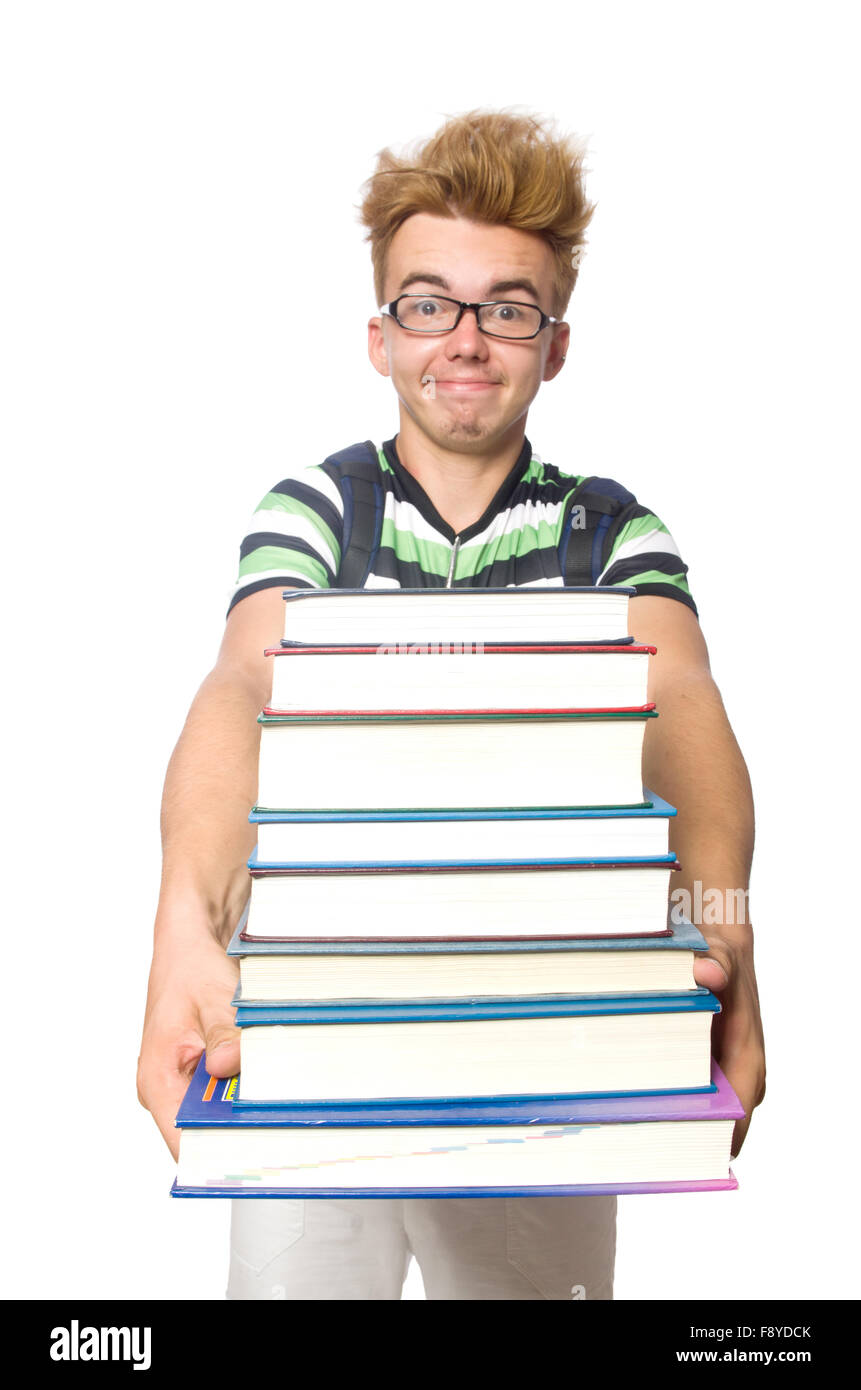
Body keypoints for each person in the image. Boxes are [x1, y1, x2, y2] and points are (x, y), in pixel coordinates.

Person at [137, 109, 765, 1300]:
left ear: (555, 344)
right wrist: (181, 912)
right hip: (313, 1045)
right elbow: (242, 684)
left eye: (507, 308)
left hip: (549, 1056)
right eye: (429, 304)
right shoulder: (316, 510)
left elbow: (682, 694)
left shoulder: (611, 529)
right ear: (380, 337)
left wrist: (727, 919)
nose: (466, 341)